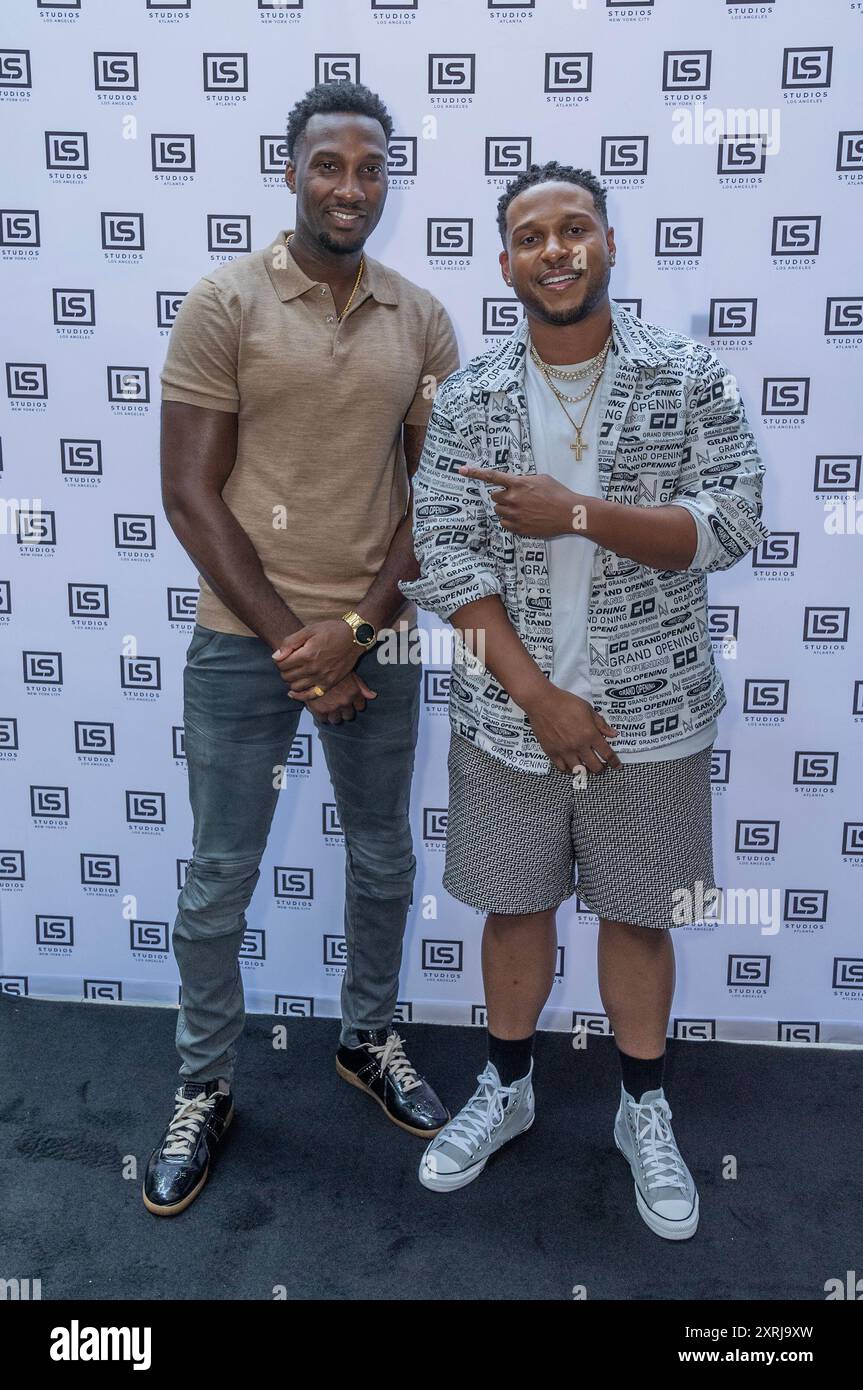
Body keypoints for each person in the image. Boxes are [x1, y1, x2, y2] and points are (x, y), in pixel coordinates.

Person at [400, 161, 768, 1240]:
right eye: (529, 236)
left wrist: (576, 514)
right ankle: (505, 1087)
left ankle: (641, 1110)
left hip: (654, 713)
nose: (552, 250)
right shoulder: (466, 396)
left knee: (637, 917)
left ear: (607, 243)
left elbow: (732, 522)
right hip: (510, 721)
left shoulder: (684, 373)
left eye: (573, 229)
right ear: (504, 261)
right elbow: (444, 560)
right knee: (513, 908)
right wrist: (539, 699)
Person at [144, 82, 459, 1217]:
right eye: (329, 164)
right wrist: (298, 649)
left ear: (387, 182)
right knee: (219, 876)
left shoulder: (419, 318)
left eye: (370, 168)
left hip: (380, 639)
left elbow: (442, 502)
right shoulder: (226, 302)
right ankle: (203, 1087)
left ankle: (366, 1037)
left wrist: (359, 632)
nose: (349, 187)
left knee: (381, 859)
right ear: (291, 172)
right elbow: (188, 494)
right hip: (246, 641)